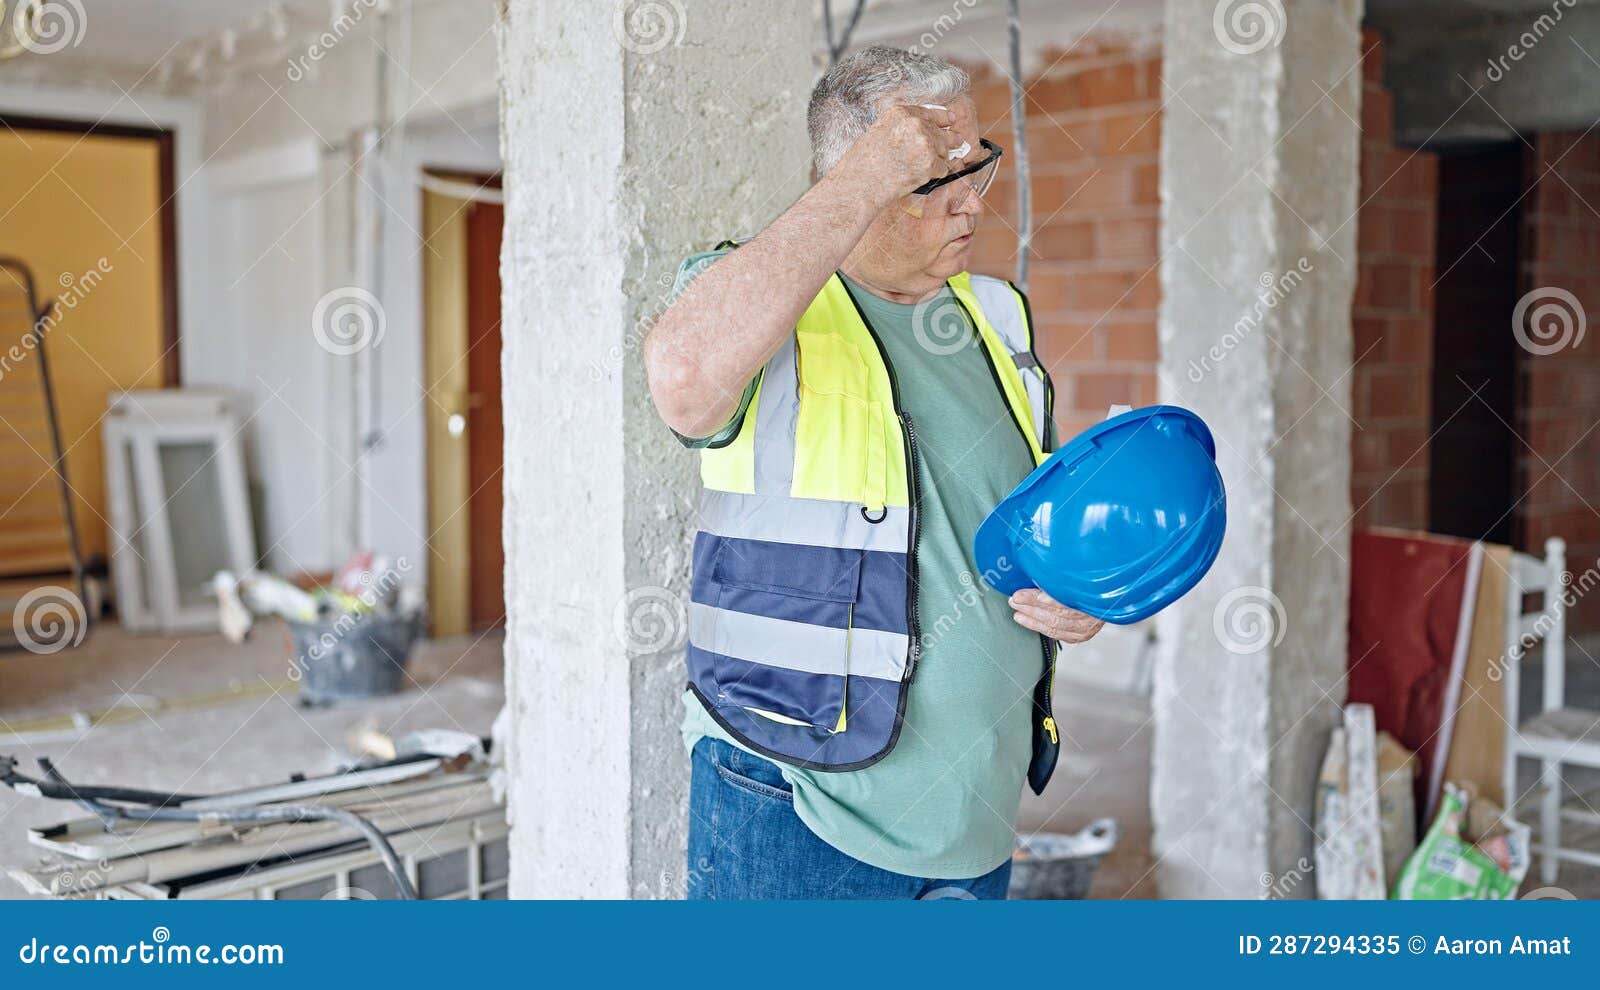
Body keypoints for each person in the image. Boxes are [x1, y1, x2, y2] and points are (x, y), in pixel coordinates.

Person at [644, 45, 1103, 900]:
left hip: (975, 810)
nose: (972, 203)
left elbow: (1007, 521)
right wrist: (861, 185)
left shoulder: (993, 314)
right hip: (800, 800)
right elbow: (681, 381)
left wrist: (1075, 595)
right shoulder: (766, 301)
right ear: (850, 177)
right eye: (937, 180)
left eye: (979, 169)